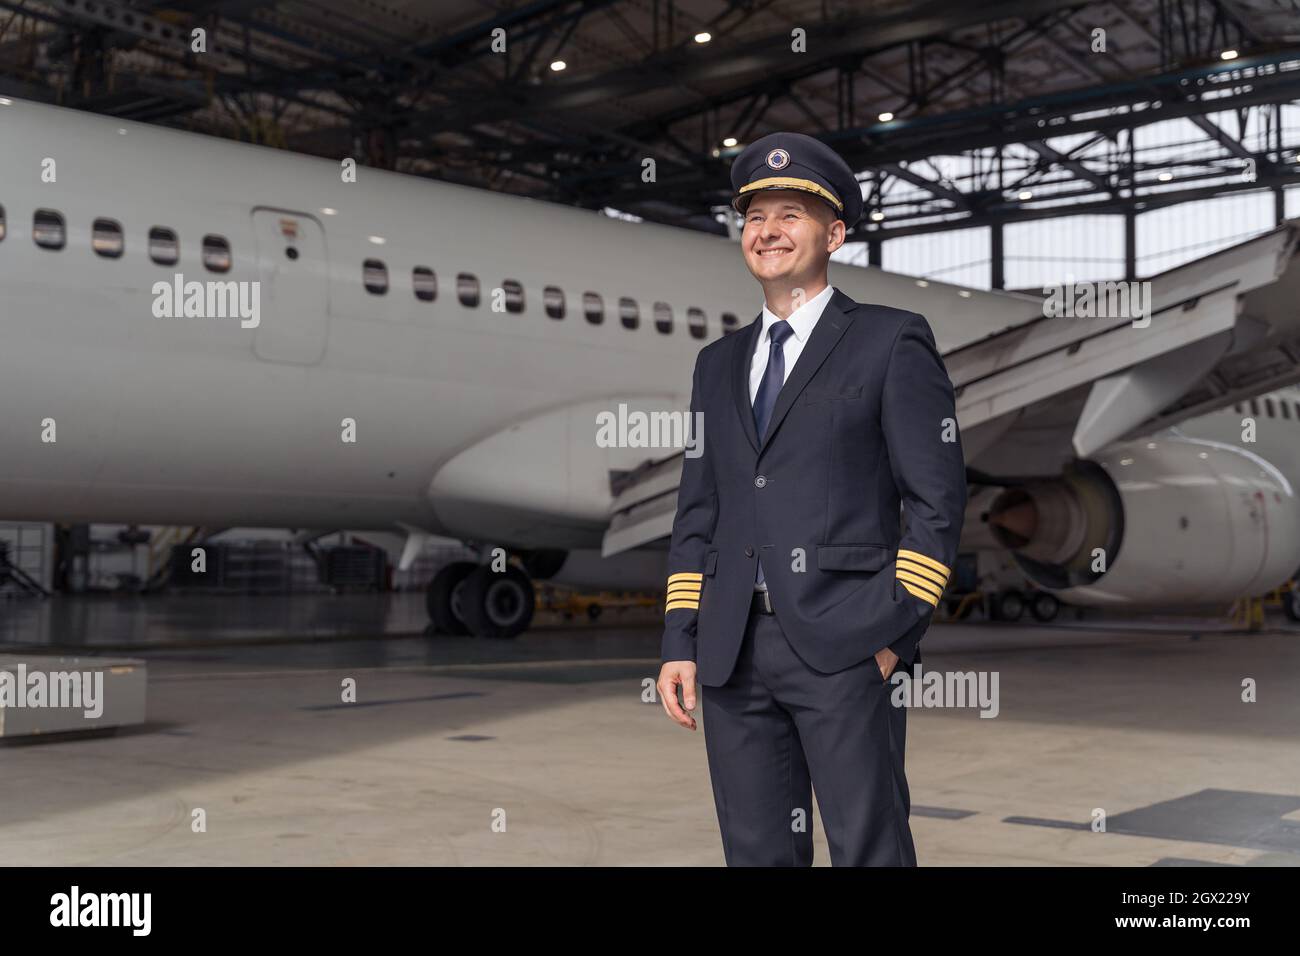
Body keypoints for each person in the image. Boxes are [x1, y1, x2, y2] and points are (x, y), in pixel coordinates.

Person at [655, 131, 967, 866]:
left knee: (869, 847)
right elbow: (698, 512)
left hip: (849, 641)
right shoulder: (717, 364)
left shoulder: (891, 342)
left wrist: (893, 637)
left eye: (791, 214)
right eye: (756, 217)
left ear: (834, 233)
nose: (768, 231)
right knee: (757, 851)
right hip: (732, 649)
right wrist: (681, 639)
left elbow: (936, 502)